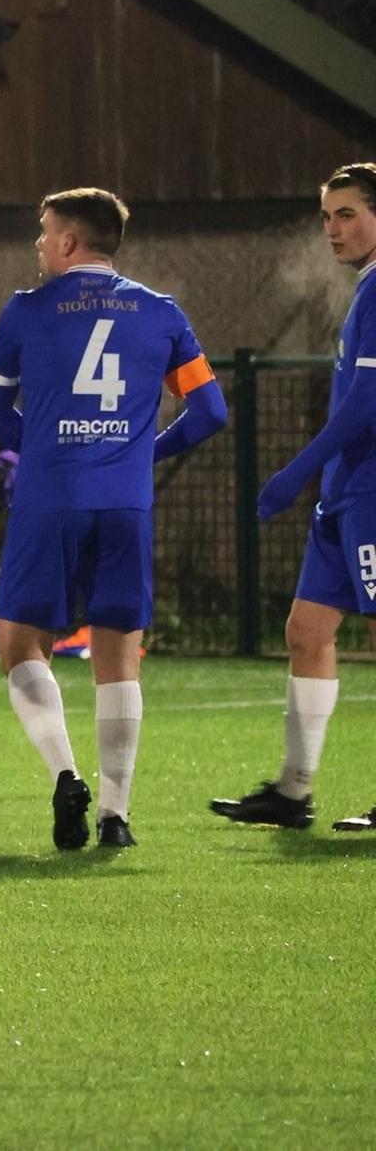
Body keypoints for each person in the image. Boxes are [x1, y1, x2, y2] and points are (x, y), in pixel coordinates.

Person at [0, 189, 226, 849]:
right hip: (125, 503)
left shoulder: (27, 311)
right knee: (119, 654)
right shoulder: (161, 313)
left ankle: (65, 772)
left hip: (50, 497)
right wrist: (141, 453)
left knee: (19, 643)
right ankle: (116, 814)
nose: (37, 244)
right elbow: (210, 412)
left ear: (66, 241)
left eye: (42, 231)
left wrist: (50, 444)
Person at [214, 163, 376, 833]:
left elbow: (367, 404)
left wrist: (296, 470)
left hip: (369, 492)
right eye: (326, 216)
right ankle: (293, 790)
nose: (333, 229)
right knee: (307, 633)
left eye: (347, 214)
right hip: (344, 494)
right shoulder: (363, 292)